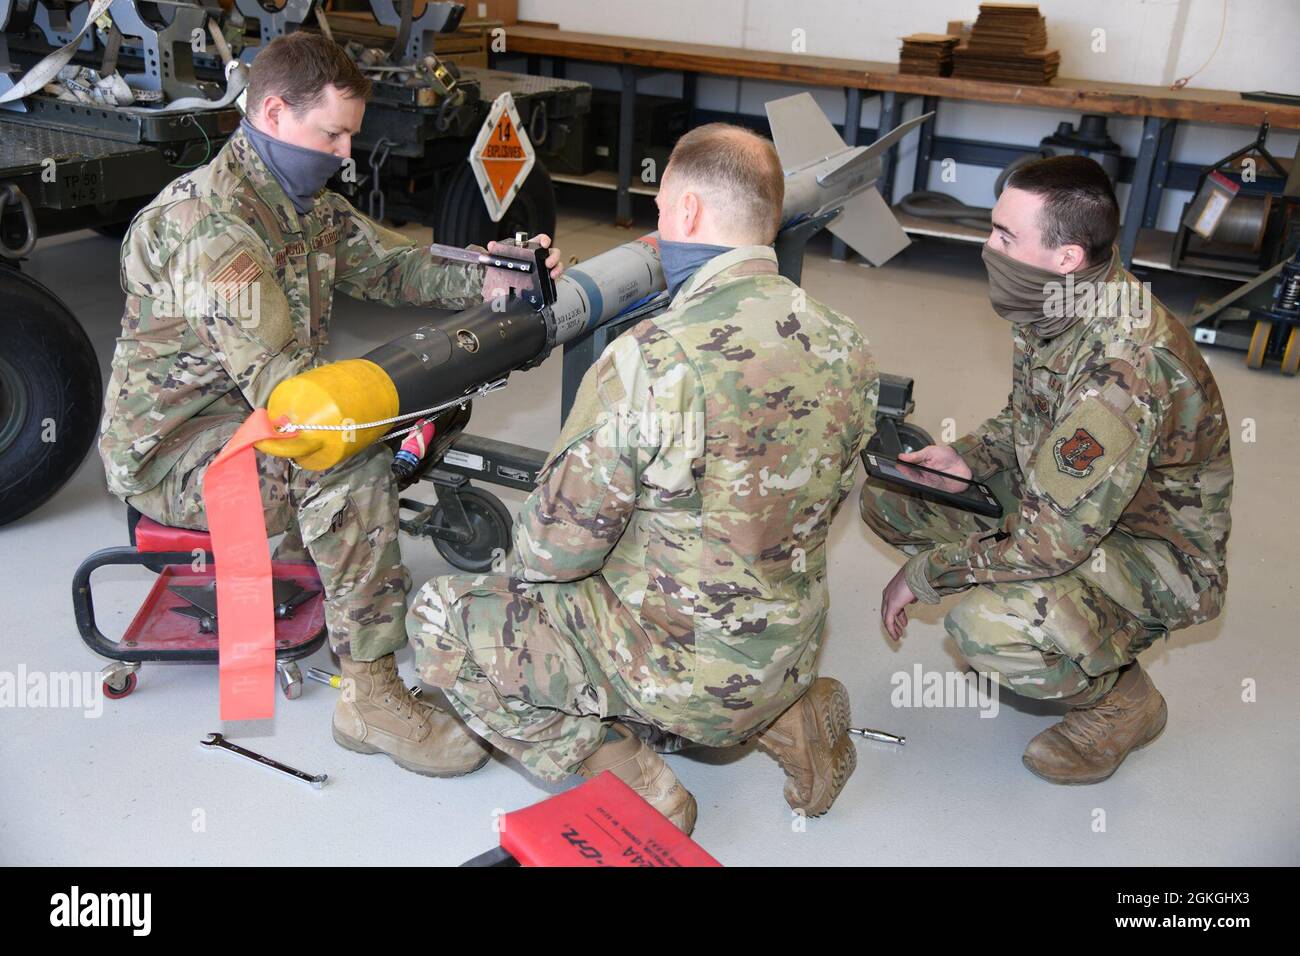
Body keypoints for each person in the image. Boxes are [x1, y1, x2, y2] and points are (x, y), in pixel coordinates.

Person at [98, 31, 562, 776]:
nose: (347, 153)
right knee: (344, 466)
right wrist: (376, 410)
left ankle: (353, 590)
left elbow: (395, 265)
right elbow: (287, 399)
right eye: (334, 134)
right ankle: (368, 697)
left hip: (243, 415)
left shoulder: (297, 200)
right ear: (275, 112)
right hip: (177, 454)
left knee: (403, 411)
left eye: (351, 134)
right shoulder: (214, 233)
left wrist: (493, 272)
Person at [406, 123, 878, 832]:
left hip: (681, 671)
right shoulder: (846, 340)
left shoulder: (653, 359)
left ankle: (638, 782)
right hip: (788, 647)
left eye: (659, 210)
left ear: (686, 213)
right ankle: (787, 718)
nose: (658, 225)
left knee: (442, 617)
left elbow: (550, 553)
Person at [861, 155, 1233, 785]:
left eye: (1006, 236)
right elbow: (1026, 414)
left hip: (1154, 550)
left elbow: (1050, 542)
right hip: (1078, 504)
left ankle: (1119, 700)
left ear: (1066, 255)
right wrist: (967, 458)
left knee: (984, 627)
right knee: (895, 498)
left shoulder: (1122, 370)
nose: (988, 246)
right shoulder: (1056, 300)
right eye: (993, 228)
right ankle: (1042, 602)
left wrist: (928, 573)